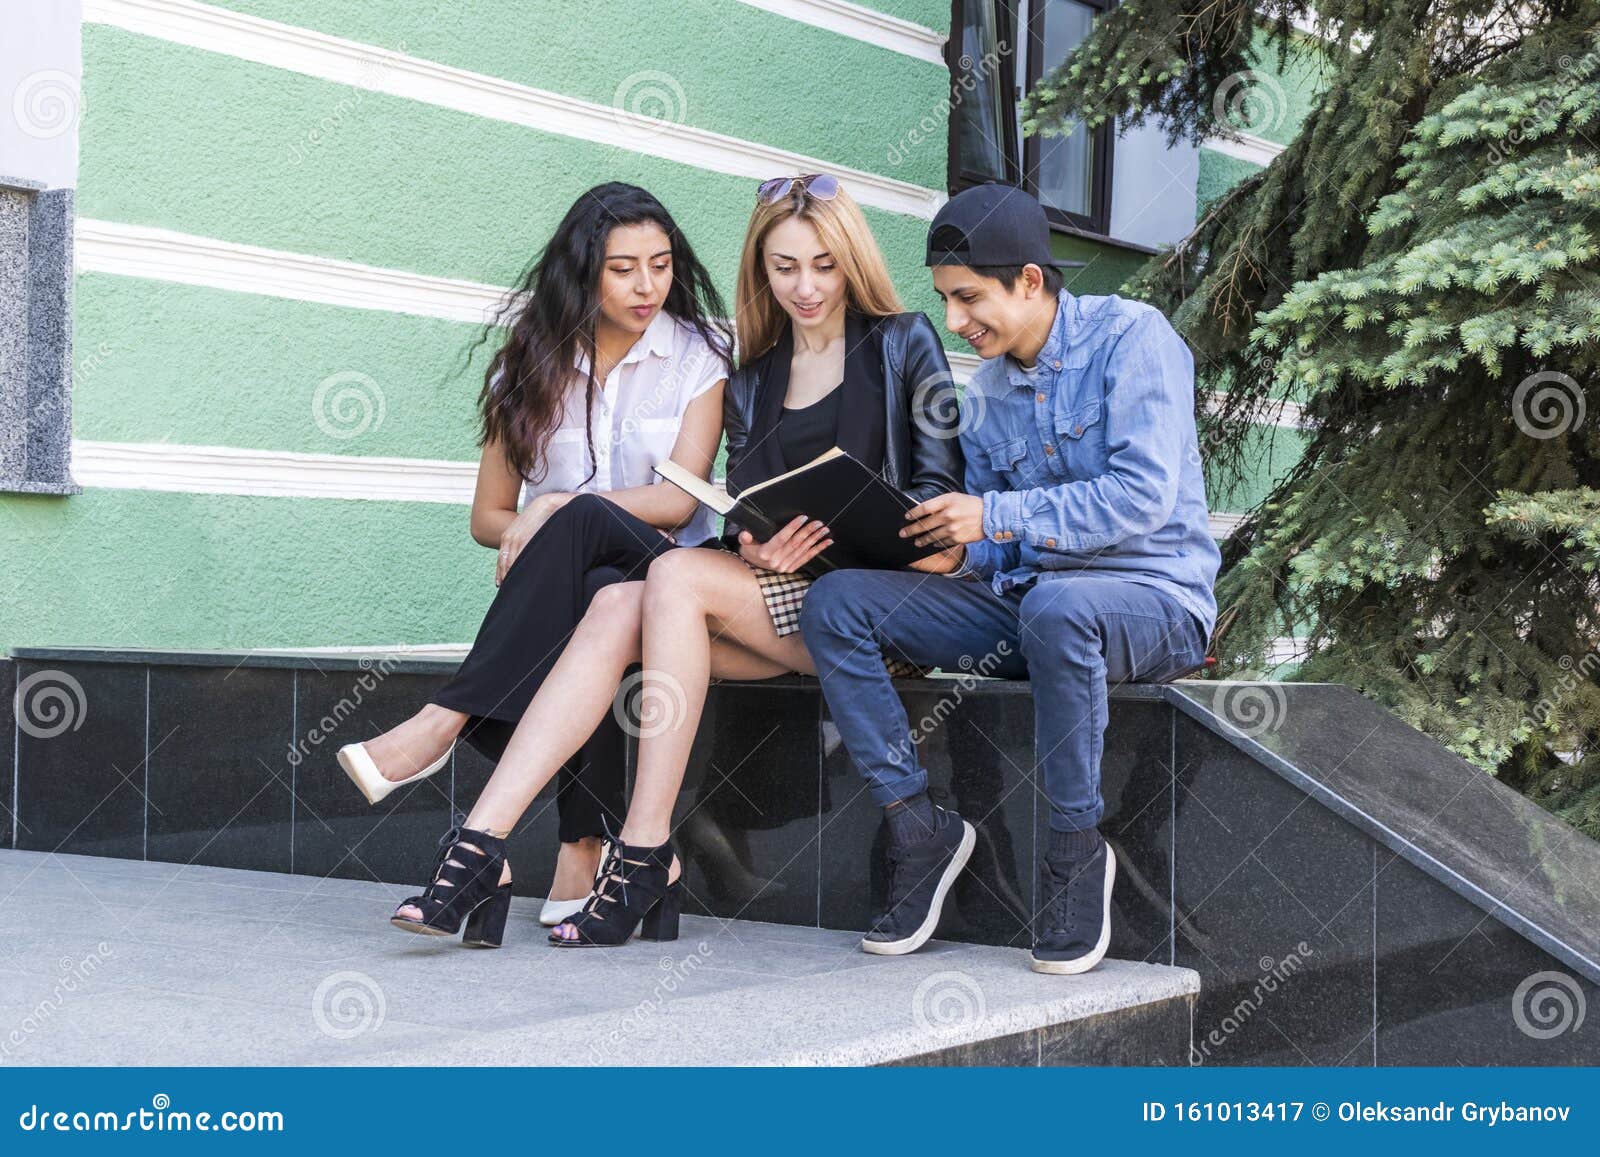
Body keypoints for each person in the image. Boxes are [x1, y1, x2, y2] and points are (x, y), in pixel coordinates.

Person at [385, 172, 965, 948]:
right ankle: (485, 844)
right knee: (612, 601)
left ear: (852, 261)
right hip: (778, 599)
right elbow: (745, 504)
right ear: (760, 269)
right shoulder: (751, 377)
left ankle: (636, 845)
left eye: (824, 265)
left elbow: (941, 506)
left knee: (667, 570)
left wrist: (866, 535)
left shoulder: (903, 342)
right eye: (785, 267)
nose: (806, 287)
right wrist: (758, 543)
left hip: (878, 605)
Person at [798, 183, 1221, 973]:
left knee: (1059, 606)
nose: (955, 320)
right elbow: (1002, 548)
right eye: (945, 300)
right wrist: (957, 554)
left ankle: (1075, 851)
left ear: (1029, 280)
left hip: (1157, 602)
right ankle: (918, 825)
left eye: (967, 298)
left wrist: (991, 517)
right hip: (1034, 609)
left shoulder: (1134, 338)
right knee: (837, 602)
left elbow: (1141, 496)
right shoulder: (987, 394)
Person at [336, 182, 731, 932]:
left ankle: (445, 722)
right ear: (581, 272)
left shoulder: (697, 359)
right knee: (594, 588)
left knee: (584, 531)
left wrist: (555, 508)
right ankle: (588, 849)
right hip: (595, 589)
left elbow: (678, 503)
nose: (647, 286)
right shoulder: (527, 365)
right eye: (623, 269)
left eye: (661, 264)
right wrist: (543, 520)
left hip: (671, 570)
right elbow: (488, 518)